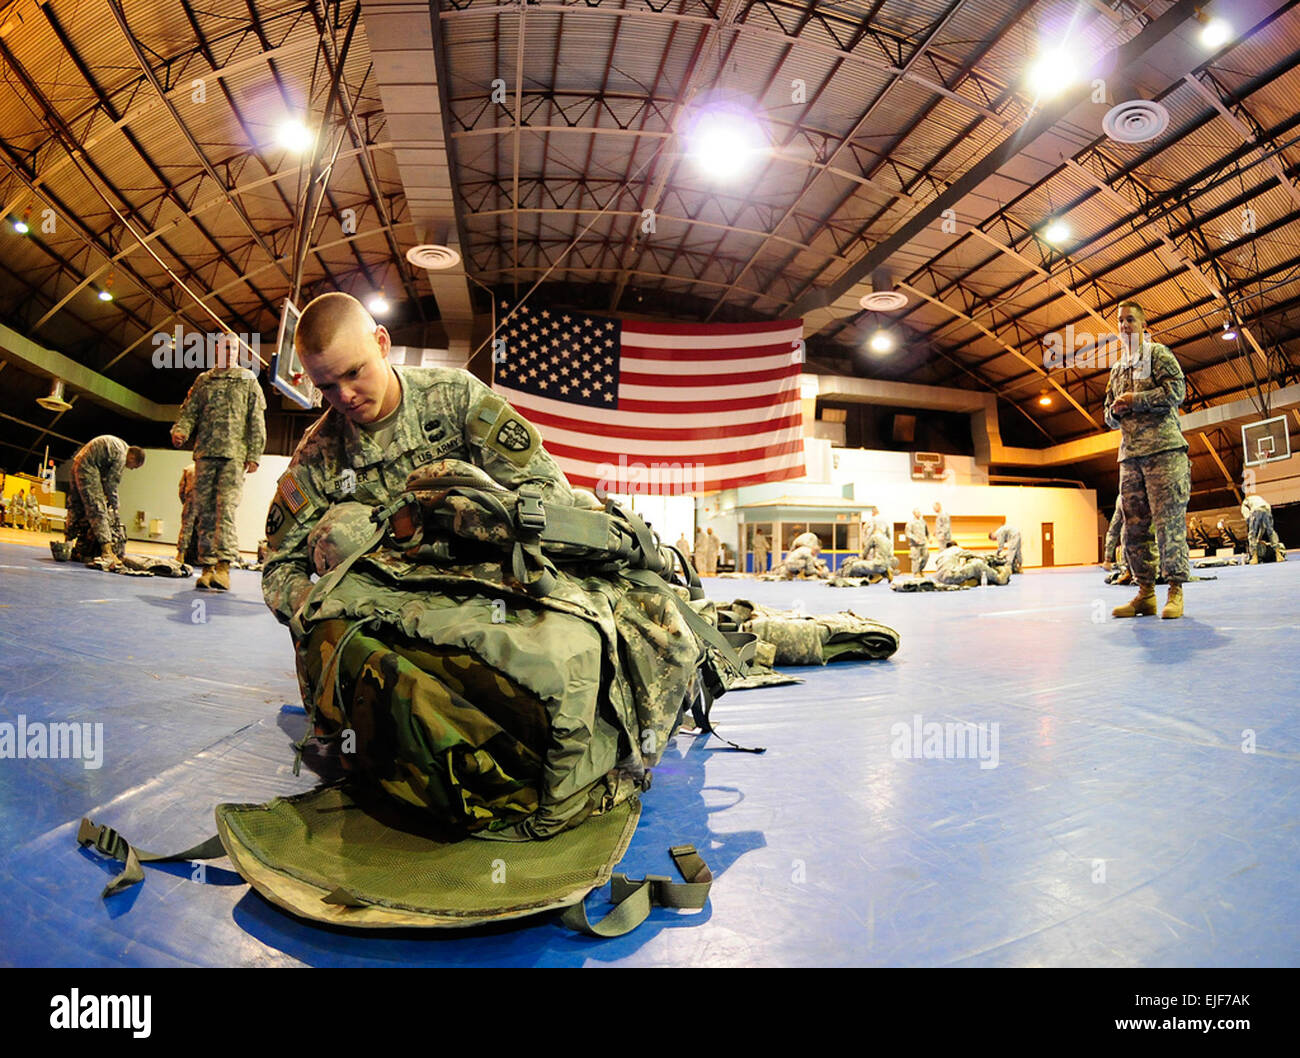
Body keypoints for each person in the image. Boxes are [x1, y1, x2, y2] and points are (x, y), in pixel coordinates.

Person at [262, 292, 576, 626]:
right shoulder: (318, 452)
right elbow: (279, 566)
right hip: (384, 615)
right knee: (341, 531)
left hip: (480, 597)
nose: (344, 395)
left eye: (354, 372)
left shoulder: (456, 396)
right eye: (326, 387)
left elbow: (550, 493)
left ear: (381, 343)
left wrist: (472, 521)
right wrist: (325, 610)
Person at [1104, 301, 1190, 619]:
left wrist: (1136, 400)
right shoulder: (1116, 370)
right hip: (1130, 458)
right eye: (1120, 321)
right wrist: (1115, 411)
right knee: (1134, 529)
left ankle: (1175, 592)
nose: (1124, 325)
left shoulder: (1159, 355)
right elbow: (1108, 416)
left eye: (1130, 320)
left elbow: (1176, 392)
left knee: (1169, 525)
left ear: (1142, 324)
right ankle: (1145, 593)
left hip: (1164, 453)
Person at [172, 334, 267, 591]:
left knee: (225, 511)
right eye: (224, 347)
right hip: (205, 455)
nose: (229, 352)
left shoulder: (247, 380)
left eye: (233, 348)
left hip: (233, 456)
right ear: (216, 350)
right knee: (204, 513)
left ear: (238, 352)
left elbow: (256, 419)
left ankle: (224, 568)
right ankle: (207, 569)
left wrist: (255, 454)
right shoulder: (204, 381)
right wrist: (181, 430)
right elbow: (190, 412)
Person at [65, 436, 145, 564]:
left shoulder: (118, 445)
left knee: (76, 506)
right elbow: (111, 484)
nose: (130, 469)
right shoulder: (122, 455)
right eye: (133, 466)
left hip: (77, 462)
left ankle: (67, 545)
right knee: (97, 509)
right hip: (88, 466)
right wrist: (115, 503)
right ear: (132, 458)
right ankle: (107, 551)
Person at [932, 544, 1011, 587]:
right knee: (977, 565)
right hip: (951, 575)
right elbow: (971, 554)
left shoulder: (941, 554)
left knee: (967, 570)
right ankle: (999, 579)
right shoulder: (955, 549)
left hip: (940, 579)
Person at [1241, 494, 1287, 563]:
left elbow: (1248, 519)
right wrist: (1259, 538)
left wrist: (1256, 539)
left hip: (1256, 509)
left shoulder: (1244, 503)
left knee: (1251, 534)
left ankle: (1254, 557)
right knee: (1271, 531)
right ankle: (1278, 554)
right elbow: (1263, 527)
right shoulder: (1259, 499)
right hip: (1267, 508)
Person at [176, 463, 198, 564]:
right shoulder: (213, 467)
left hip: (191, 500)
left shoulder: (189, 468)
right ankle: (203, 556)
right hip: (207, 504)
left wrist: (184, 501)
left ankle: (181, 554)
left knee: (186, 528)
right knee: (205, 530)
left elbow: (182, 487)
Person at [905, 508, 928, 574]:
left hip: (923, 543)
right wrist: (914, 538)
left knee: (926, 556)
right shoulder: (910, 523)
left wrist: (929, 538)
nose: (919, 514)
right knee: (915, 559)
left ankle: (920, 569)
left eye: (919, 512)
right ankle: (916, 573)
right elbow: (908, 533)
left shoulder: (923, 522)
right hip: (914, 545)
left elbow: (926, 532)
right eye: (917, 512)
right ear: (914, 514)